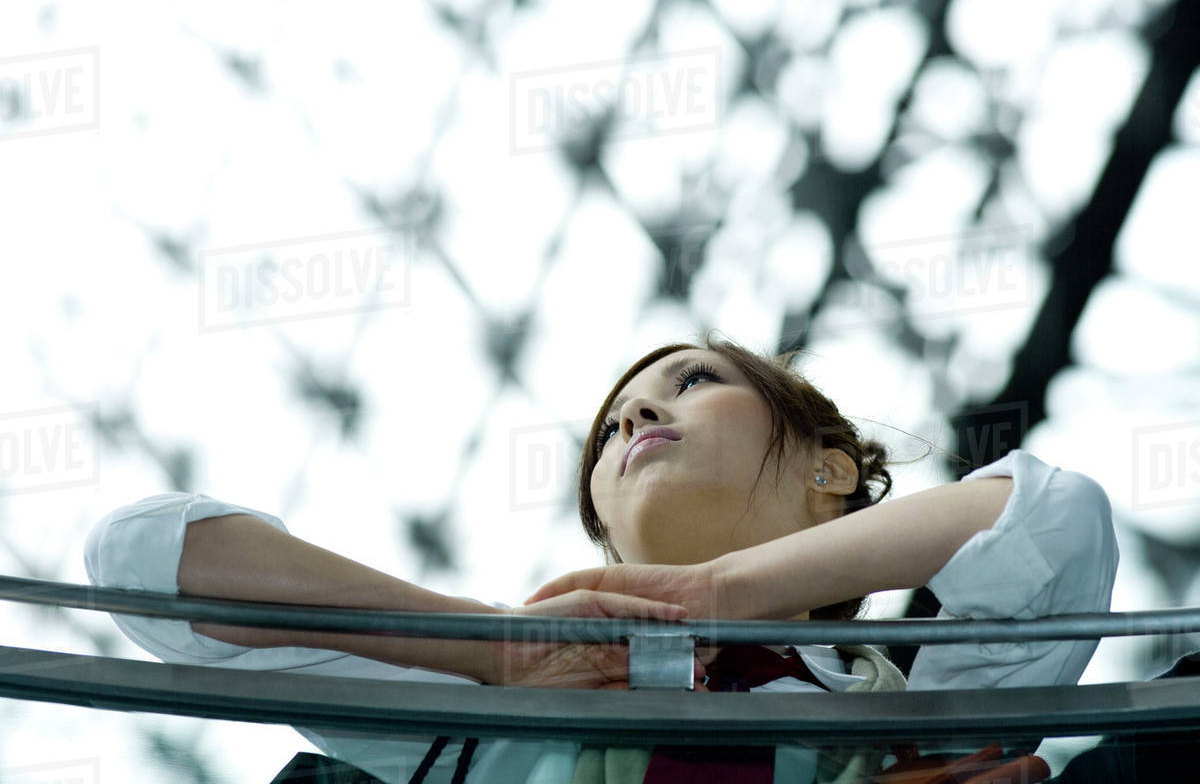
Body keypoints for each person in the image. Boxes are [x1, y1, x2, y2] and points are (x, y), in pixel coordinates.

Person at [83, 335, 1118, 784]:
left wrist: (719, 594)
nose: (635, 410)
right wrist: (493, 651)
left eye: (694, 379)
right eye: (609, 432)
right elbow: (143, 559)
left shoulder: (919, 717)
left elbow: (1053, 515)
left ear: (832, 467)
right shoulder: (477, 707)